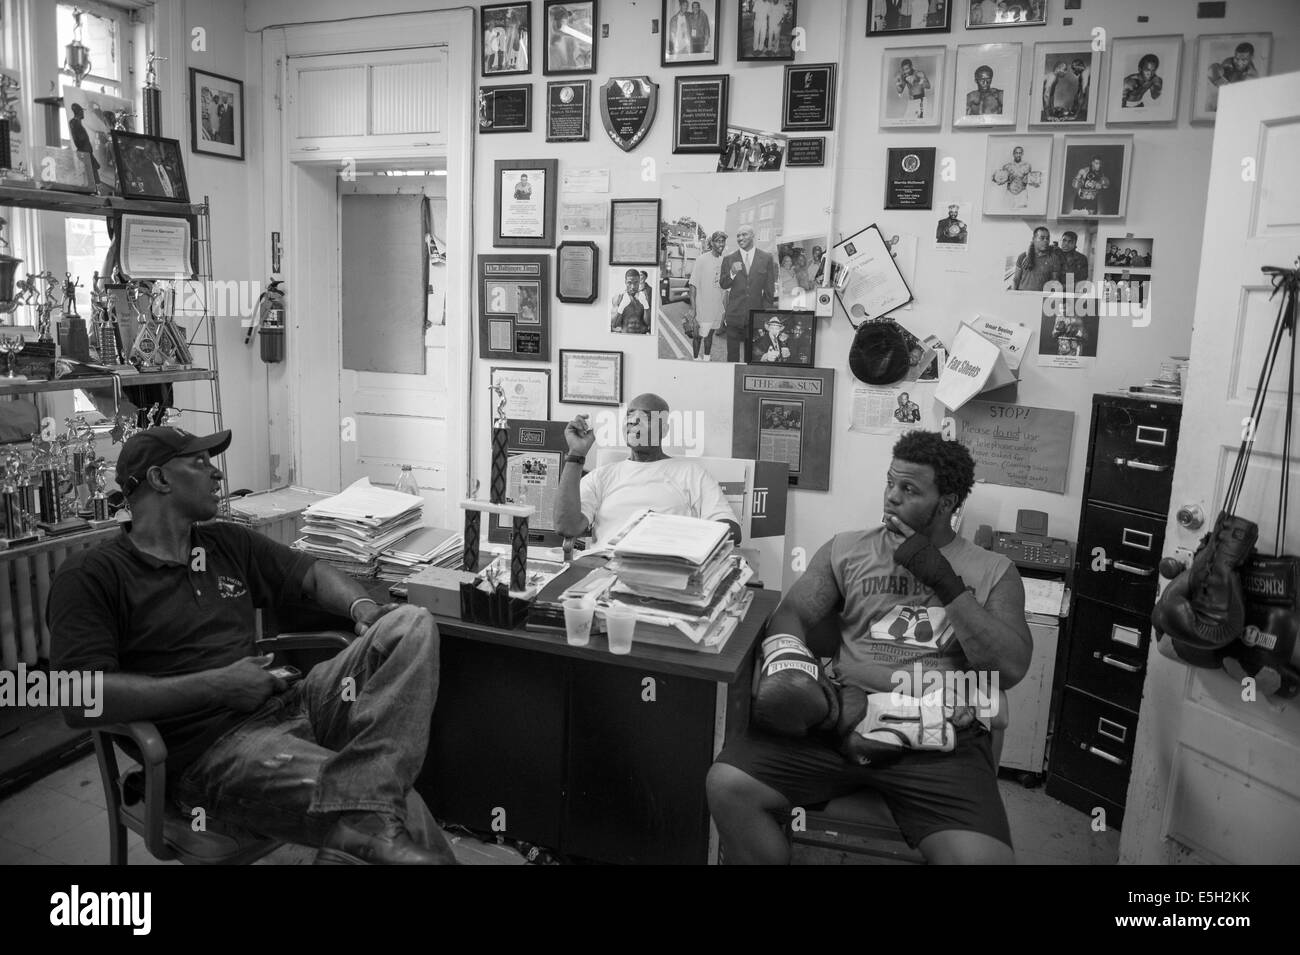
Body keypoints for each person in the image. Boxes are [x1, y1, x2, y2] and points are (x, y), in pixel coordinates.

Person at [48, 427, 456, 865]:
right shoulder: (92, 575)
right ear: (160, 480)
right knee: (403, 821)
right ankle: (365, 808)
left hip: (293, 701)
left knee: (409, 623)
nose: (218, 474)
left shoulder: (225, 542)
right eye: (200, 463)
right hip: (214, 749)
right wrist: (217, 686)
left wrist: (361, 607)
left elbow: (311, 573)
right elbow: (79, 698)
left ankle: (365, 796)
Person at [707, 431, 1030, 864]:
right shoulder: (848, 548)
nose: (891, 498)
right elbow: (792, 614)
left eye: (909, 489)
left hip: (936, 736)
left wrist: (943, 580)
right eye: (890, 483)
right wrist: (793, 668)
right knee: (727, 785)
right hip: (842, 719)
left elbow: (1008, 668)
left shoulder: (994, 571)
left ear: (948, 503)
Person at [554, 393, 741, 545]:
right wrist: (576, 454)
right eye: (630, 415)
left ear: (665, 430)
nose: (635, 421)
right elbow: (566, 527)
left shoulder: (691, 474)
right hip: (605, 567)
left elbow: (731, 529)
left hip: (666, 568)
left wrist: (678, 537)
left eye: (647, 417)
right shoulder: (602, 476)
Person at [719, 225, 778, 362]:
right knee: (732, 357)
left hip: (755, 317)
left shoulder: (766, 258)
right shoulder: (729, 259)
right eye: (738, 236)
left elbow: (769, 291)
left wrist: (764, 315)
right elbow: (723, 284)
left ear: (753, 236)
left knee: (752, 356)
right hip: (734, 315)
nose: (740, 238)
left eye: (744, 235)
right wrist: (732, 273)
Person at [687, 230, 727, 361]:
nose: (721, 244)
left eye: (723, 241)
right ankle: (695, 360)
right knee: (698, 336)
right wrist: (693, 309)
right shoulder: (702, 259)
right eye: (718, 241)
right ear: (711, 243)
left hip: (716, 309)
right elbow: (693, 285)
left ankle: (706, 359)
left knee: (710, 336)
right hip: (703, 308)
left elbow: (725, 287)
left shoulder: (724, 261)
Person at [990, 145, 1039, 211]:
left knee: (1021, 214)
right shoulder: (1007, 166)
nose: (1018, 155)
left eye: (1020, 153)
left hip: (1022, 194)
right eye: (1016, 153)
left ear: (1022, 154)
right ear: (1013, 154)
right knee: (1006, 213)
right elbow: (999, 180)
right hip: (1009, 194)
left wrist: (1033, 182)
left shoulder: (1028, 166)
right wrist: (999, 180)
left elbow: (1032, 180)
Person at [1013, 226, 1060, 292]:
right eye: (1042, 238)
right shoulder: (1023, 256)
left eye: (1047, 238)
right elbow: (1016, 279)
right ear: (1034, 239)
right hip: (1022, 296)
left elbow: (1054, 281)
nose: (1046, 241)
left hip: (1041, 297)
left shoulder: (1054, 258)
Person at [610, 268, 651, 334]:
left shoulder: (644, 296)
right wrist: (621, 307)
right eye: (629, 283)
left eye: (636, 282)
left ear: (639, 281)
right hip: (626, 336)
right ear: (625, 282)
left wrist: (645, 304)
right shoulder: (619, 298)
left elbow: (649, 323)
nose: (633, 286)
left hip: (642, 336)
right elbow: (614, 324)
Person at [67, 102, 99, 179]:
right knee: (92, 174)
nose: (83, 113)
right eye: (82, 111)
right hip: (85, 152)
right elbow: (80, 140)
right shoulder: (75, 123)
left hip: (86, 151)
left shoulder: (76, 122)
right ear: (79, 112)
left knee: (93, 172)